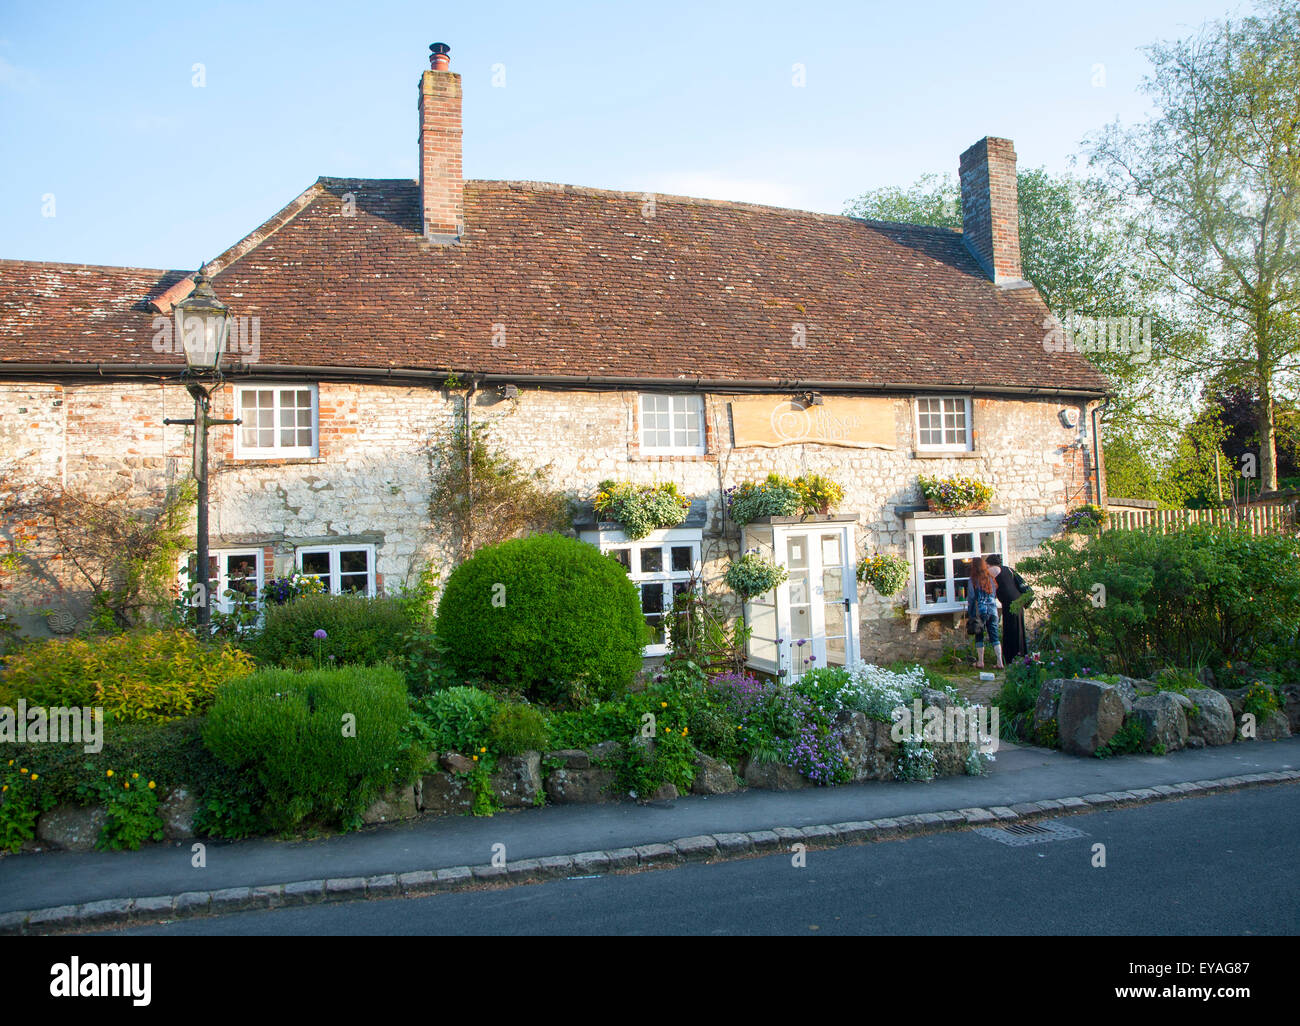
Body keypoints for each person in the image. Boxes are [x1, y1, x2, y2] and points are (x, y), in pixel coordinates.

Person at [986, 553, 1026, 663]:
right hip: (1018, 600)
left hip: (1010, 602)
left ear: (990, 564)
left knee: (1010, 629)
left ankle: (1011, 657)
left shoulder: (994, 569)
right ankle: (1021, 654)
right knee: (1019, 628)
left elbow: (986, 582)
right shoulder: (1008, 569)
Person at [965, 556, 1003, 670]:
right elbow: (994, 594)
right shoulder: (991, 578)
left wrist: (970, 613)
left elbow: (971, 597)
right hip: (993, 610)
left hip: (980, 611)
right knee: (994, 636)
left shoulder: (973, 580)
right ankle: (1000, 662)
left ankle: (981, 662)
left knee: (979, 635)